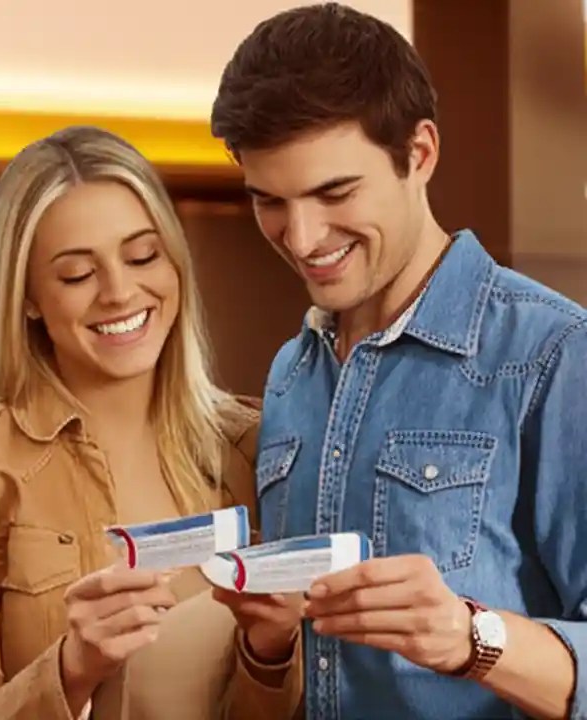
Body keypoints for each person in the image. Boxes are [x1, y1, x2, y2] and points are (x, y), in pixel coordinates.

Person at [207, 4, 587, 719]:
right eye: (270, 201)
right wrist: (269, 640)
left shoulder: (556, 355)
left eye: (335, 193)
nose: (301, 237)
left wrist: (471, 638)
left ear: (420, 153)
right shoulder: (291, 375)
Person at [0, 125, 302, 720]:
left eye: (142, 256)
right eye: (76, 275)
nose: (119, 291)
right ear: (28, 298)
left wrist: (270, 654)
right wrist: (72, 668)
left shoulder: (257, 445)